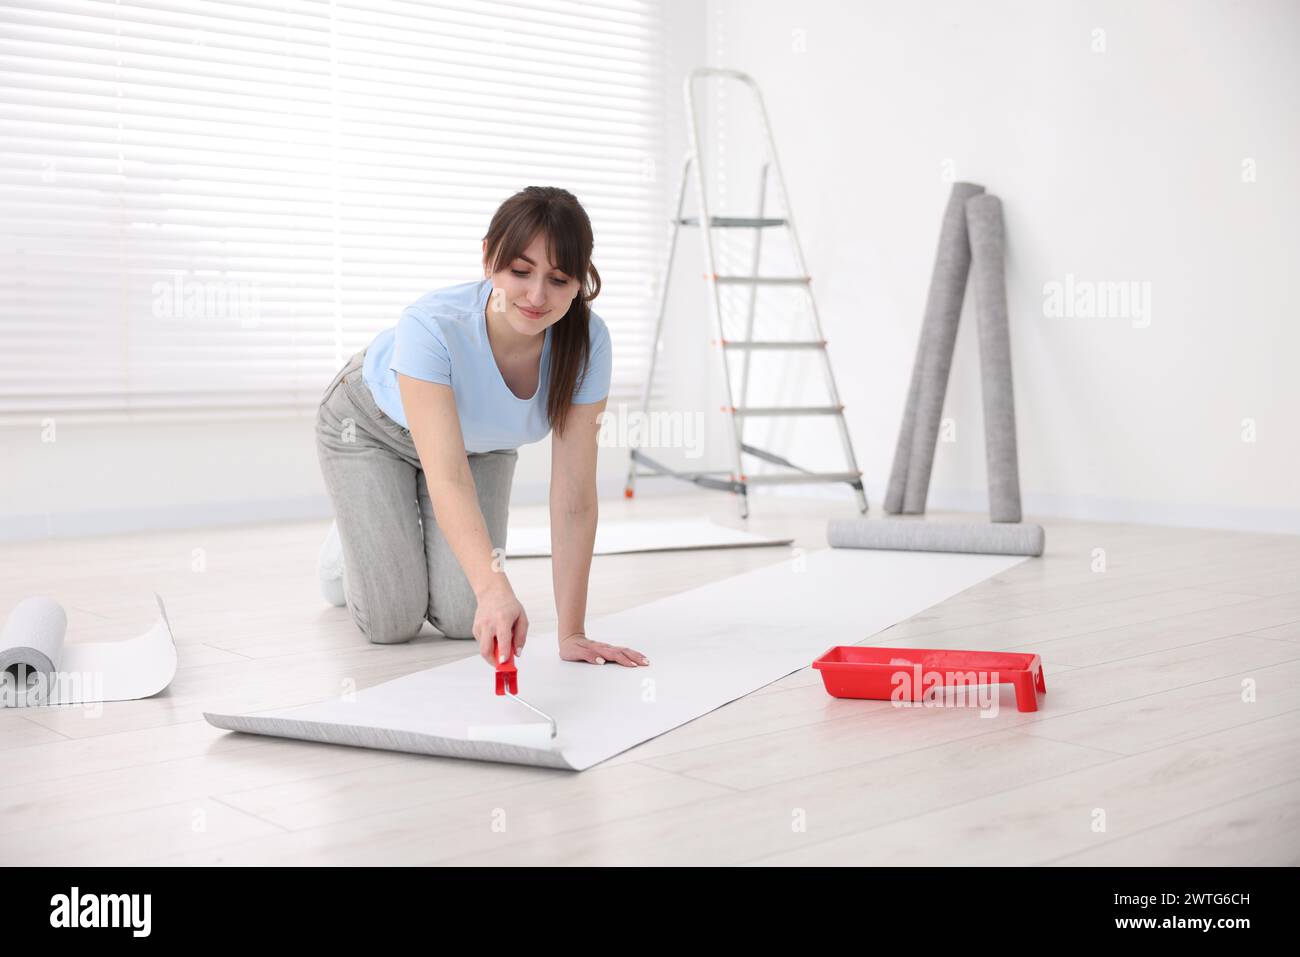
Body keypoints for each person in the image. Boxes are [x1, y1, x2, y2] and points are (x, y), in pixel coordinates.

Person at [315, 186, 649, 671]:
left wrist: (572, 632)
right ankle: (351, 536)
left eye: (558, 279)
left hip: (480, 450)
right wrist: (495, 590)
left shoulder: (589, 343)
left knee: (460, 616)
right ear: (490, 258)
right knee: (391, 623)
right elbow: (445, 475)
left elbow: (575, 495)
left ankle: (393, 531)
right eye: (519, 272)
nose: (537, 296)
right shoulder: (432, 324)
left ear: (581, 282)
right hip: (372, 429)